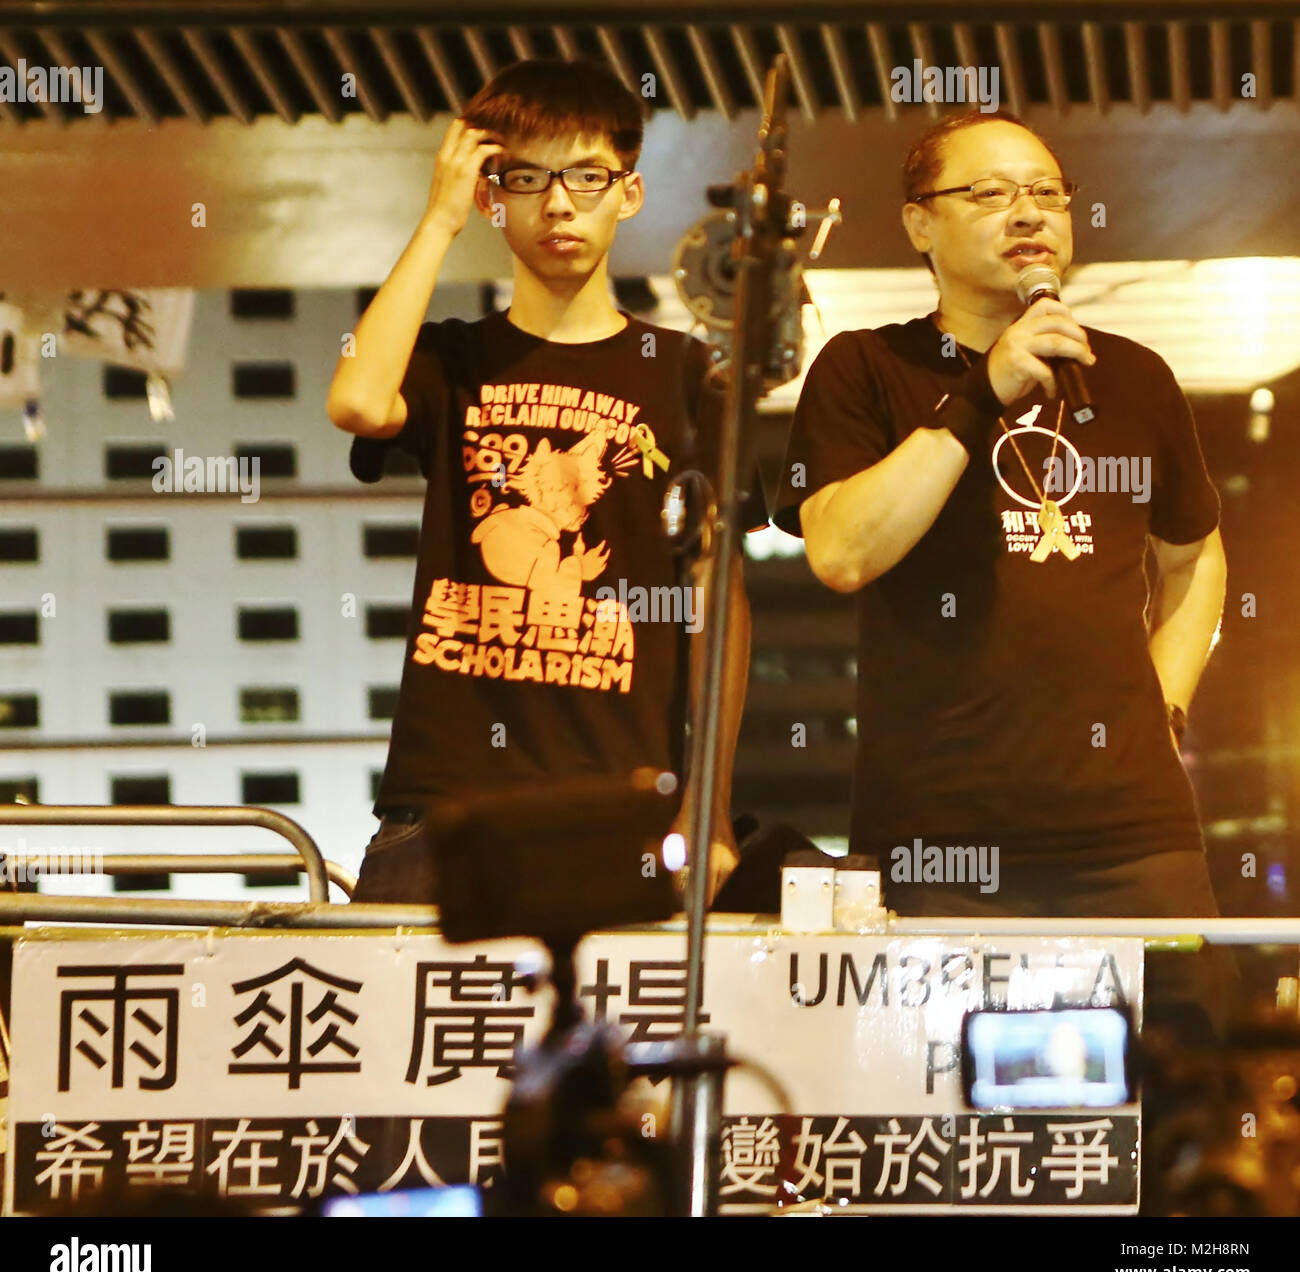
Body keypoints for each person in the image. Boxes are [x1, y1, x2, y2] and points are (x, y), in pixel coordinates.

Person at [773, 109, 1233, 1041]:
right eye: (988, 193)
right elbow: (842, 550)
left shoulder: (1135, 376)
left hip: (1134, 835)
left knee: (1168, 1109)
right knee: (948, 1121)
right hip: (939, 837)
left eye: (1046, 192)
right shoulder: (865, 368)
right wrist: (982, 391)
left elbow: (1195, 554)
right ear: (918, 225)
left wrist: (1165, 705)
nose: (1027, 212)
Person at [327, 59, 762, 906]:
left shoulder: (684, 373)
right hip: (441, 810)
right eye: (526, 179)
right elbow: (357, 398)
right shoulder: (452, 360)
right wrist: (438, 221)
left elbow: (717, 589)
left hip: (623, 808)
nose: (558, 204)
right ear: (493, 196)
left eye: (586, 176)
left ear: (627, 192)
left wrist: (707, 808)